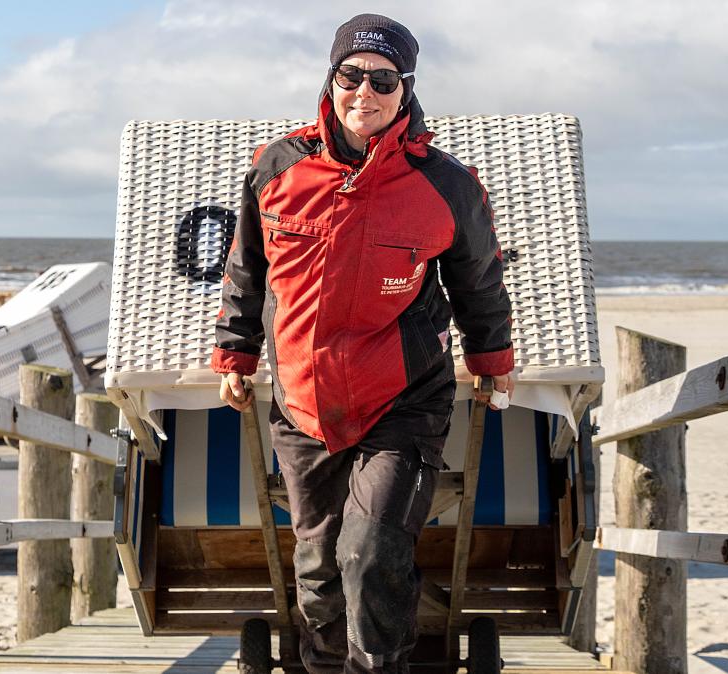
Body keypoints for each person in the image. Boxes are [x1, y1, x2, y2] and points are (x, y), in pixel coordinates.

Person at [212, 13, 515, 673]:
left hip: (403, 399)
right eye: (352, 75)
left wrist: (493, 362)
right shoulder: (276, 166)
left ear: (405, 88)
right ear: (332, 76)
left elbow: (480, 283)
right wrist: (236, 353)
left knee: (371, 551)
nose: (365, 92)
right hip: (302, 403)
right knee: (320, 570)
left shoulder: (447, 184)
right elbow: (246, 270)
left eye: (384, 80)